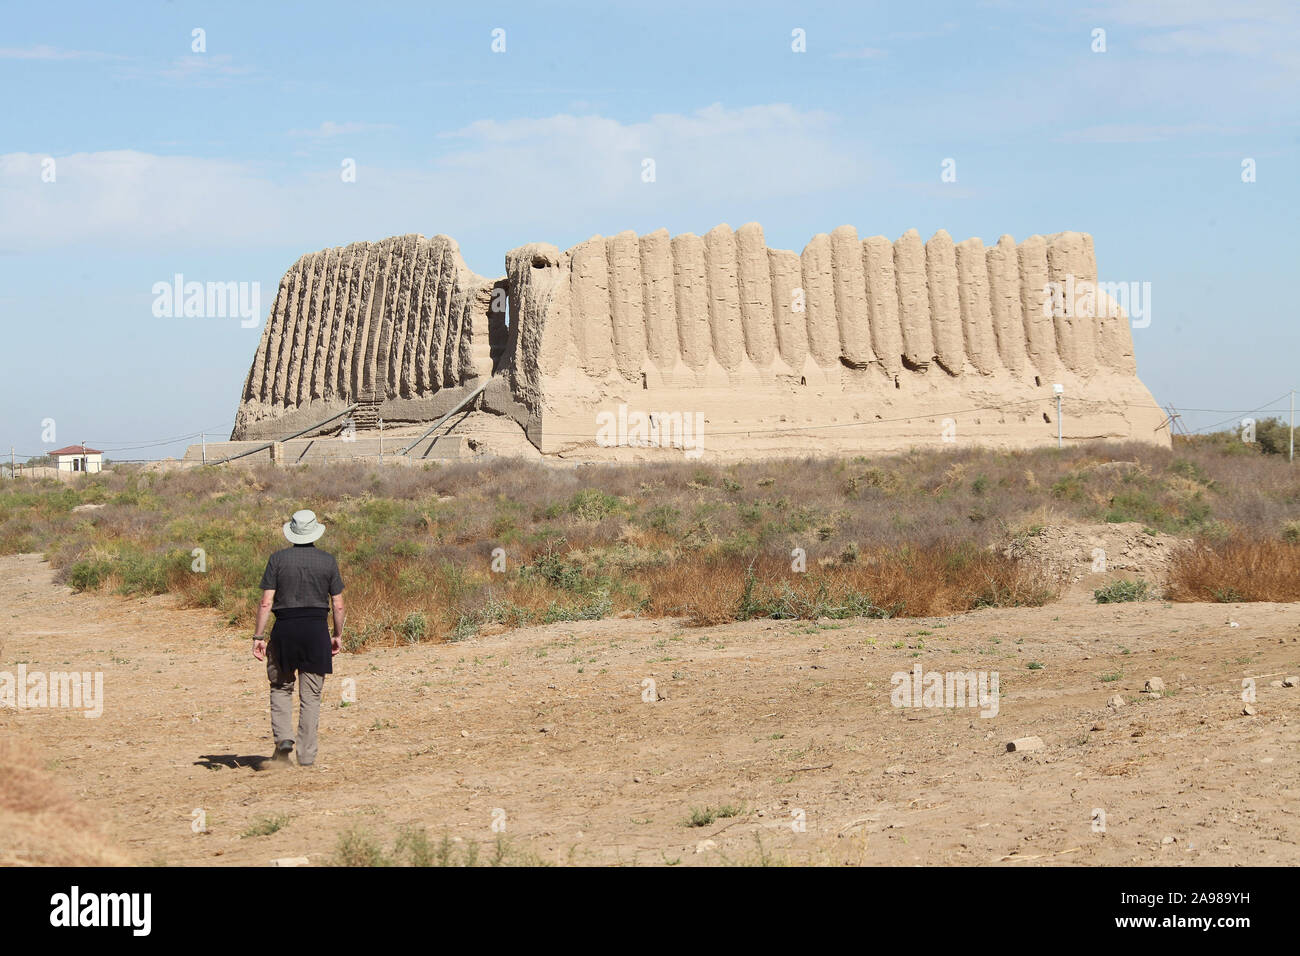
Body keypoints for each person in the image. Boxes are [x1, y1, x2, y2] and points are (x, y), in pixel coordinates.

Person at [251, 509, 344, 767]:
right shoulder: (328, 561)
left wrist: (259, 635)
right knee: (311, 696)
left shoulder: (277, 559)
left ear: (291, 532)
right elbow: (337, 605)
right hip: (316, 631)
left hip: (284, 630)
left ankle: (283, 740)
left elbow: (266, 602)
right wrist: (336, 634)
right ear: (315, 532)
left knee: (280, 686)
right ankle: (306, 756)